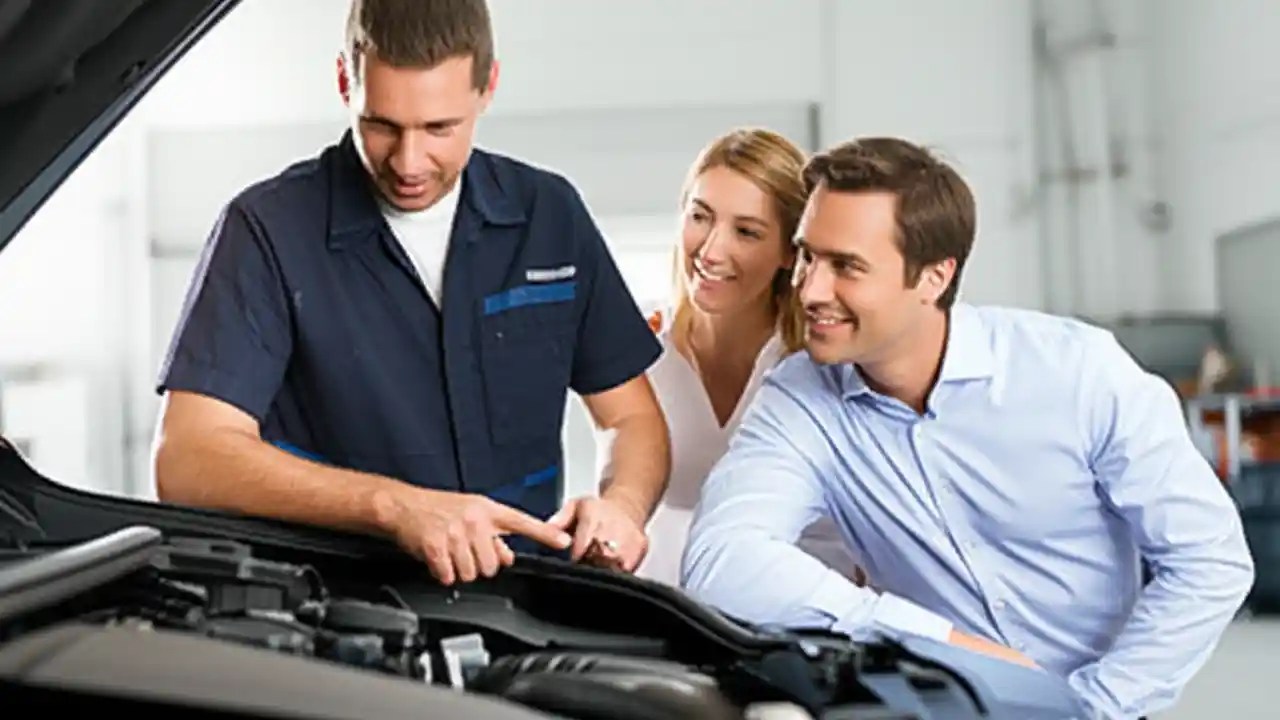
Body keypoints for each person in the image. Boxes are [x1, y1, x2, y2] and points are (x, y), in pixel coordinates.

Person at [680, 136, 1255, 719]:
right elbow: (723, 559)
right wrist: (931, 639)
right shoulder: (800, 397)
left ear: (934, 277)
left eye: (846, 266)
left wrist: (1093, 708)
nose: (809, 288)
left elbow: (1209, 559)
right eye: (807, 255)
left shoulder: (1078, 373)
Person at [150, 0, 670, 587]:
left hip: (530, 610)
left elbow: (631, 418)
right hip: (338, 618)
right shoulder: (266, 230)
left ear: (487, 86)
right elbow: (189, 459)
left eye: (439, 129)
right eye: (382, 125)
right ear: (346, 80)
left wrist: (621, 508)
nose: (409, 162)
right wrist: (393, 507)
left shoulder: (550, 216)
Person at [595, 128, 861, 586]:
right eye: (700, 217)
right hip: (654, 618)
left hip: (798, 622)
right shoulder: (635, 340)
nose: (712, 249)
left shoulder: (825, 362)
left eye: (746, 232)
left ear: (788, 252)